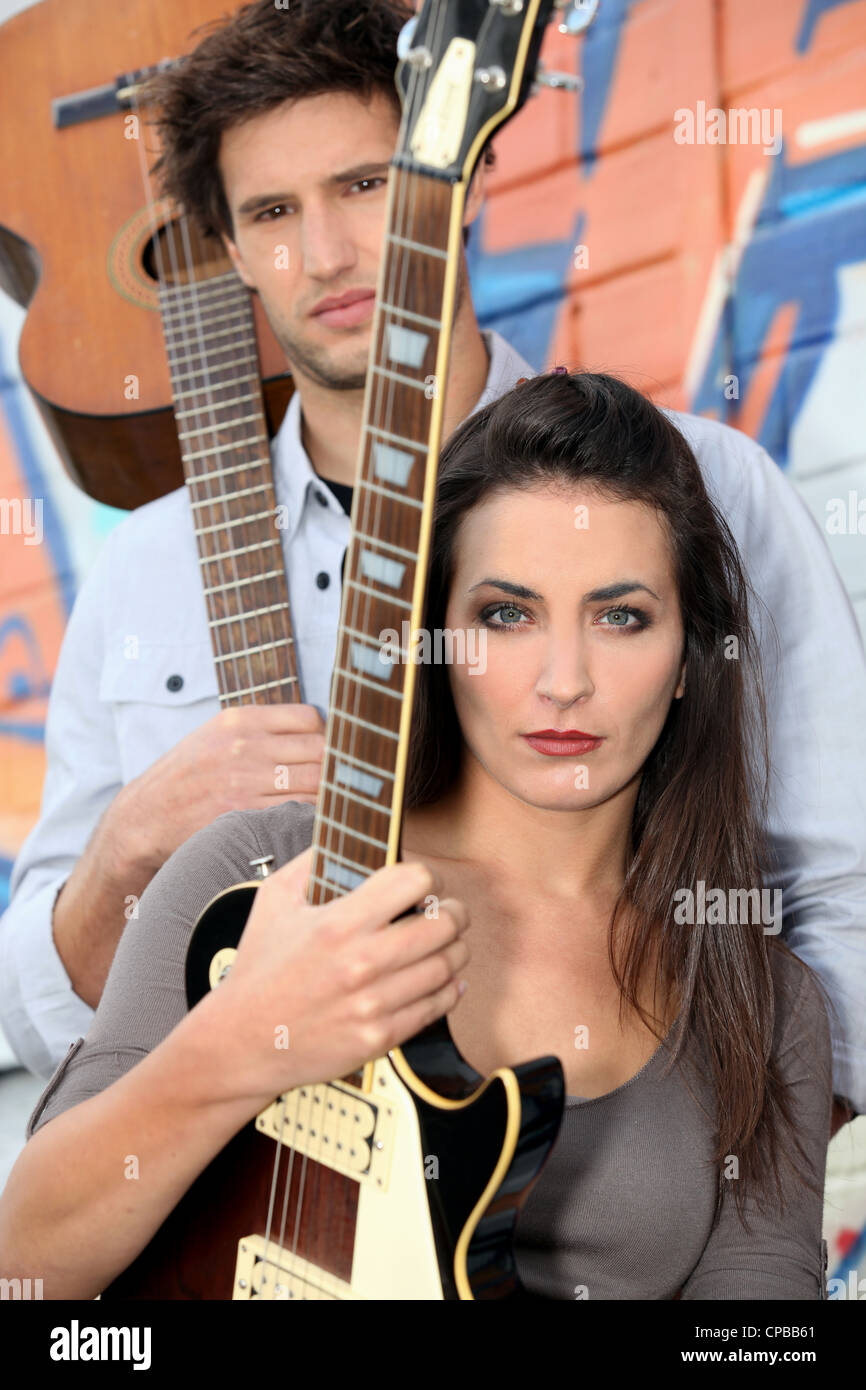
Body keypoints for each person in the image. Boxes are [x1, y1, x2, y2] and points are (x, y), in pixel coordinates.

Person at [0, 0, 862, 1143]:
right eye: (270, 212)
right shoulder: (143, 571)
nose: (326, 255)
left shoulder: (706, 487)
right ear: (229, 246)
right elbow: (44, 1021)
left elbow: (836, 879)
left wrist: (729, 1184)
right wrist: (127, 848)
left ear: (458, 173)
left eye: (364, 185)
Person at [0, 370, 833, 1300]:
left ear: (688, 661)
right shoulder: (263, 874)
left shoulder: (761, 998)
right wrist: (246, 1041)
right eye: (505, 615)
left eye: (621, 617)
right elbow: (25, 1264)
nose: (565, 679)